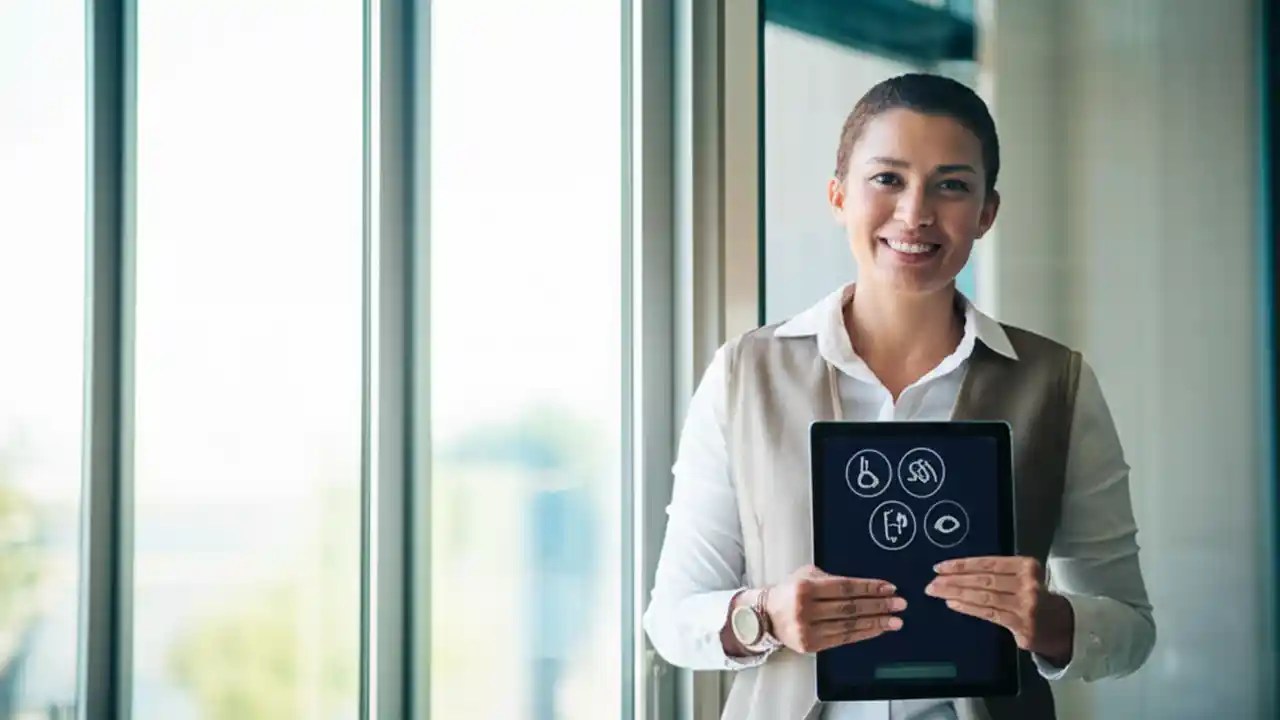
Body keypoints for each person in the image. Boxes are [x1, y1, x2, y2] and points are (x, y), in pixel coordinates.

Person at [642, 73, 1155, 720]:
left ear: (987, 212)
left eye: (952, 185)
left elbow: (1131, 628)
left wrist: (1048, 619)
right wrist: (765, 614)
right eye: (887, 179)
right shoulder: (745, 374)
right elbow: (672, 618)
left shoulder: (1056, 383)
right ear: (838, 196)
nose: (915, 213)